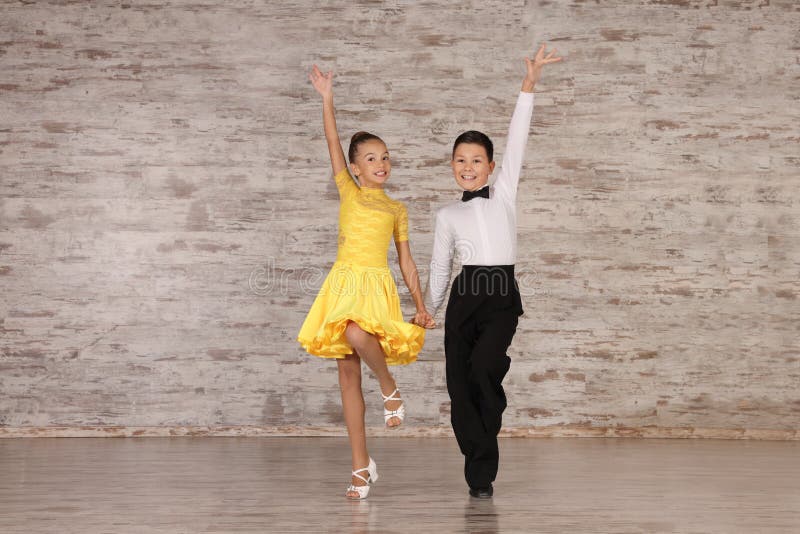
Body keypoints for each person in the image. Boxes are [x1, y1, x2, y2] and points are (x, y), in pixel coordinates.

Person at [424, 43, 562, 499]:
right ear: (452, 167)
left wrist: (529, 85)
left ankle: (484, 452)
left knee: (485, 367)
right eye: (460, 160)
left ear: (491, 166)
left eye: (476, 160)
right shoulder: (447, 215)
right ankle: (478, 468)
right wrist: (428, 307)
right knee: (459, 388)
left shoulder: (504, 195)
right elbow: (441, 266)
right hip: (464, 296)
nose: (468, 167)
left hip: (499, 291)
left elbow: (518, 136)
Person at [298, 65, 434, 500]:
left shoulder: (396, 209)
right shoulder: (348, 191)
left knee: (358, 333)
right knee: (345, 377)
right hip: (343, 284)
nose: (380, 163)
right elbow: (333, 142)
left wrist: (422, 304)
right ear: (355, 169)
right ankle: (361, 467)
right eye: (371, 158)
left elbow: (406, 261)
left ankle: (389, 386)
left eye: (385, 156)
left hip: (375, 288)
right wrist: (327, 98)